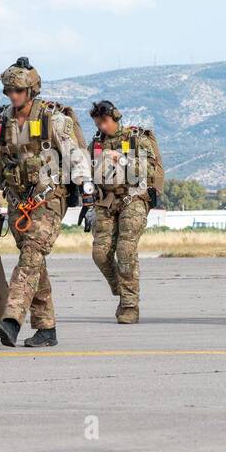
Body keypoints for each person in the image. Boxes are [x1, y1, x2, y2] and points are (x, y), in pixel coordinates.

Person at [0, 58, 94, 347]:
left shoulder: (54, 120)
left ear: (31, 90)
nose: (13, 96)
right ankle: (46, 329)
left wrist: (88, 199)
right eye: (9, 91)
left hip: (48, 200)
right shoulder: (3, 120)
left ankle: (11, 322)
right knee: (35, 264)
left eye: (18, 91)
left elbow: (77, 158)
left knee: (30, 257)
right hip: (17, 202)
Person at [87, 100, 156, 323]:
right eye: (98, 123)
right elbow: (87, 172)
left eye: (105, 122)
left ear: (116, 118)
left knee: (125, 250)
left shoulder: (135, 139)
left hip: (133, 198)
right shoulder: (96, 144)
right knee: (100, 253)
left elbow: (149, 169)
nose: (102, 127)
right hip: (106, 201)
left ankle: (129, 306)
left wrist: (124, 160)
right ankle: (120, 286)